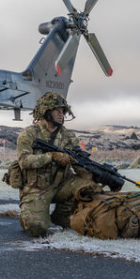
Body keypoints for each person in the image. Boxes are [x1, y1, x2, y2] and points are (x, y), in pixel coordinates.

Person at [14, 92, 103, 238]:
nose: (62, 114)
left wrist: (96, 176)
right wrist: (52, 156)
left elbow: (79, 163)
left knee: (88, 185)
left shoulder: (68, 136)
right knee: (37, 229)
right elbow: (24, 161)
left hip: (61, 186)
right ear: (46, 111)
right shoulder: (29, 134)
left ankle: (61, 215)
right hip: (37, 189)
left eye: (63, 111)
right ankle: (29, 216)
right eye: (57, 111)